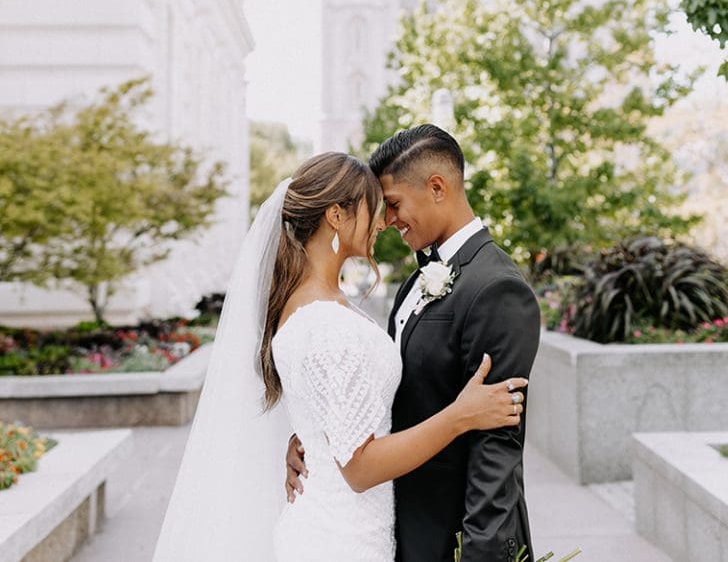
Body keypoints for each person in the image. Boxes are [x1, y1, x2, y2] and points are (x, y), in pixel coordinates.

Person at [153, 151, 528, 562]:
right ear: (335, 215)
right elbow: (360, 468)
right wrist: (461, 415)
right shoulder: (329, 324)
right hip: (343, 540)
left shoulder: (309, 303)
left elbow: (337, 409)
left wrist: (314, 437)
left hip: (338, 526)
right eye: (374, 208)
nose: (383, 222)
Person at [287, 126, 541, 562]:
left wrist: (481, 554)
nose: (386, 221)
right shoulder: (414, 282)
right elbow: (383, 397)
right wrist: (321, 434)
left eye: (393, 204)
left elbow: (497, 447)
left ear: (437, 187)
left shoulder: (498, 288)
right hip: (394, 525)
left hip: (450, 534)